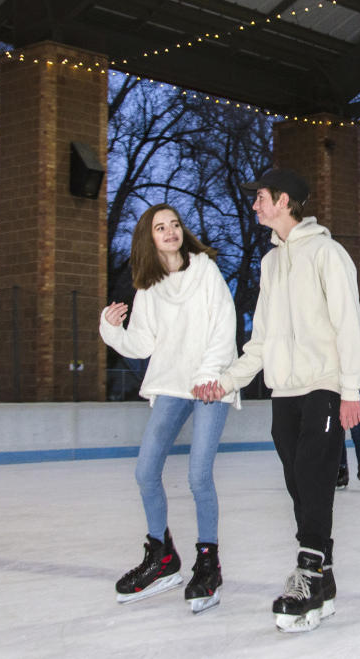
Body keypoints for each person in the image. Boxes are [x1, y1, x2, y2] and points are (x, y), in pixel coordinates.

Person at [196, 168, 360, 634]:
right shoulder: (270, 265)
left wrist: (351, 390)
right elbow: (262, 340)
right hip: (283, 391)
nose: (254, 205)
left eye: (261, 198)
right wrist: (227, 381)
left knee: (313, 475)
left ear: (285, 201)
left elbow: (349, 324)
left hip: (325, 386)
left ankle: (308, 572)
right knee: (298, 483)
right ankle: (323, 576)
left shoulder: (329, 255)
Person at [100, 204, 236, 613]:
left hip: (210, 383)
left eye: (174, 224)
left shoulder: (205, 271)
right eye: (161, 227)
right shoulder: (149, 287)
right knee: (145, 471)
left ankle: (208, 564)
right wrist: (111, 330)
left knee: (198, 476)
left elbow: (224, 323)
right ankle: (162, 558)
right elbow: (141, 345)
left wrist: (211, 372)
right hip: (173, 384)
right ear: (150, 238)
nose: (171, 231)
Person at [336, 394, 360, 489]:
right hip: (338, 403)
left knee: (357, 435)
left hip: (354, 401)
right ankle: (342, 469)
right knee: (339, 437)